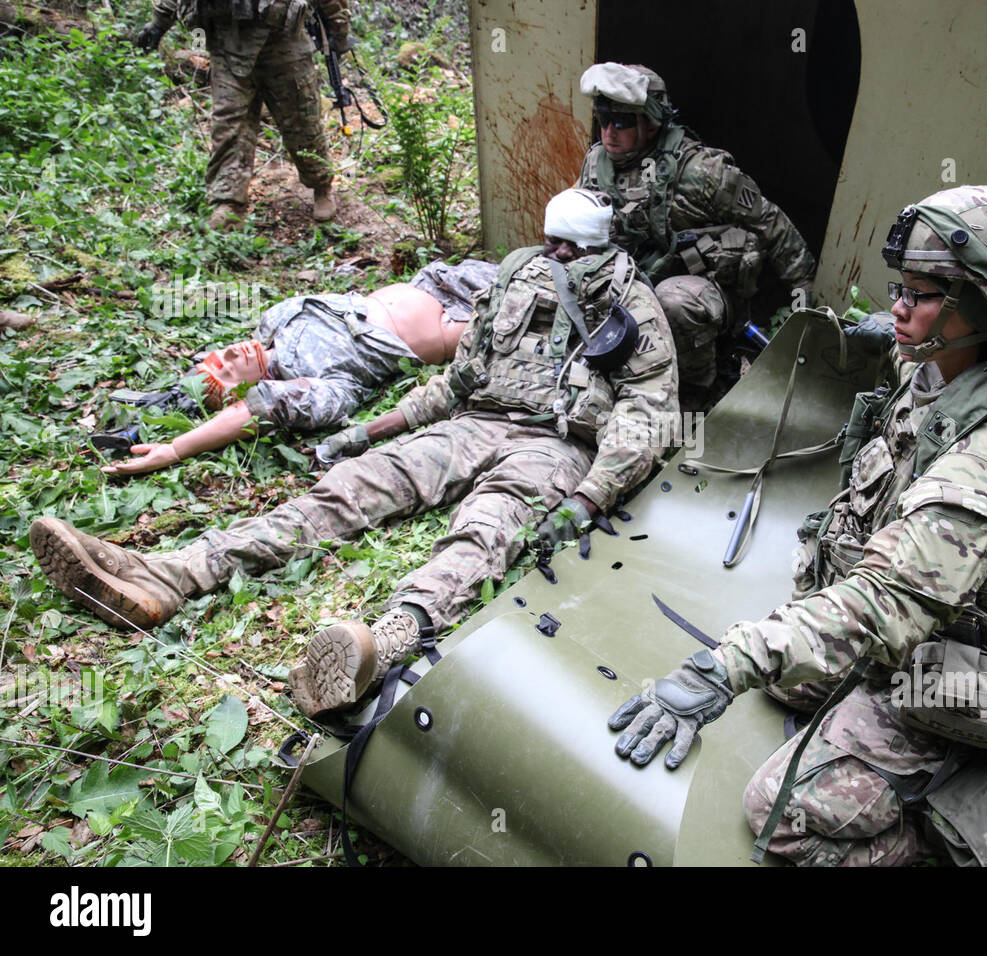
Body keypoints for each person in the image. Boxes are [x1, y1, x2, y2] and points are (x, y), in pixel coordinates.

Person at [33, 188, 679, 719]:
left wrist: (589, 497)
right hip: (474, 424)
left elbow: (646, 416)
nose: (562, 257)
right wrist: (366, 433)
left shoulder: (633, 305)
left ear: (603, 244)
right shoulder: (516, 276)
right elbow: (457, 382)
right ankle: (172, 573)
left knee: (482, 535)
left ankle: (380, 646)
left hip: (558, 447)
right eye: (554, 243)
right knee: (347, 490)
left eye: (576, 247)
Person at [608, 185, 987, 867]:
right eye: (899, 288)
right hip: (924, 635)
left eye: (924, 295)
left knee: (780, 811)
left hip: (962, 678)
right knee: (791, 679)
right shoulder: (948, 362)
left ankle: (957, 828)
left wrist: (720, 671)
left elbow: (883, 606)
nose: (899, 307)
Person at [99, 258, 498, 476]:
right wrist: (174, 448)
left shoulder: (274, 321)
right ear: (239, 391)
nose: (233, 354)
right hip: (462, 323)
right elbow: (253, 411)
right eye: (227, 370)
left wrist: (167, 398)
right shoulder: (317, 387)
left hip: (437, 280)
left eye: (220, 355)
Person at [575, 62, 817, 406]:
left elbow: (772, 225)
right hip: (632, 281)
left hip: (702, 291)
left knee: (673, 301)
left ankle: (696, 394)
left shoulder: (702, 171)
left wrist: (803, 309)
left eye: (623, 122)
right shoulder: (597, 164)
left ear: (652, 121)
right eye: (602, 119)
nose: (609, 132)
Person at [134, 0, 351, 229]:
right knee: (229, 125)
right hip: (227, 44)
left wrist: (339, 28)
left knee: (302, 122)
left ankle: (321, 186)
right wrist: (158, 23)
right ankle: (228, 202)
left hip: (283, 41)